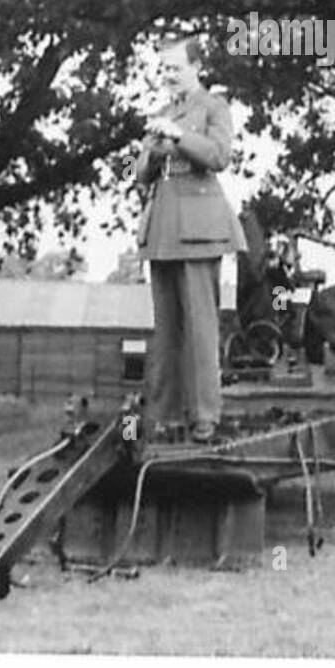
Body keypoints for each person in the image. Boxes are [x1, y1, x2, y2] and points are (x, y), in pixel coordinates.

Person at [135, 38, 246, 444]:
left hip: (200, 227)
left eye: (174, 67)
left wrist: (178, 136)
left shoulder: (213, 106)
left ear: (196, 66)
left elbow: (219, 156)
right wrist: (154, 150)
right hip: (162, 227)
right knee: (165, 328)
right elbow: (140, 173)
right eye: (163, 69)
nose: (167, 75)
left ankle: (204, 417)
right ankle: (163, 415)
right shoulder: (161, 114)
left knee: (201, 326)